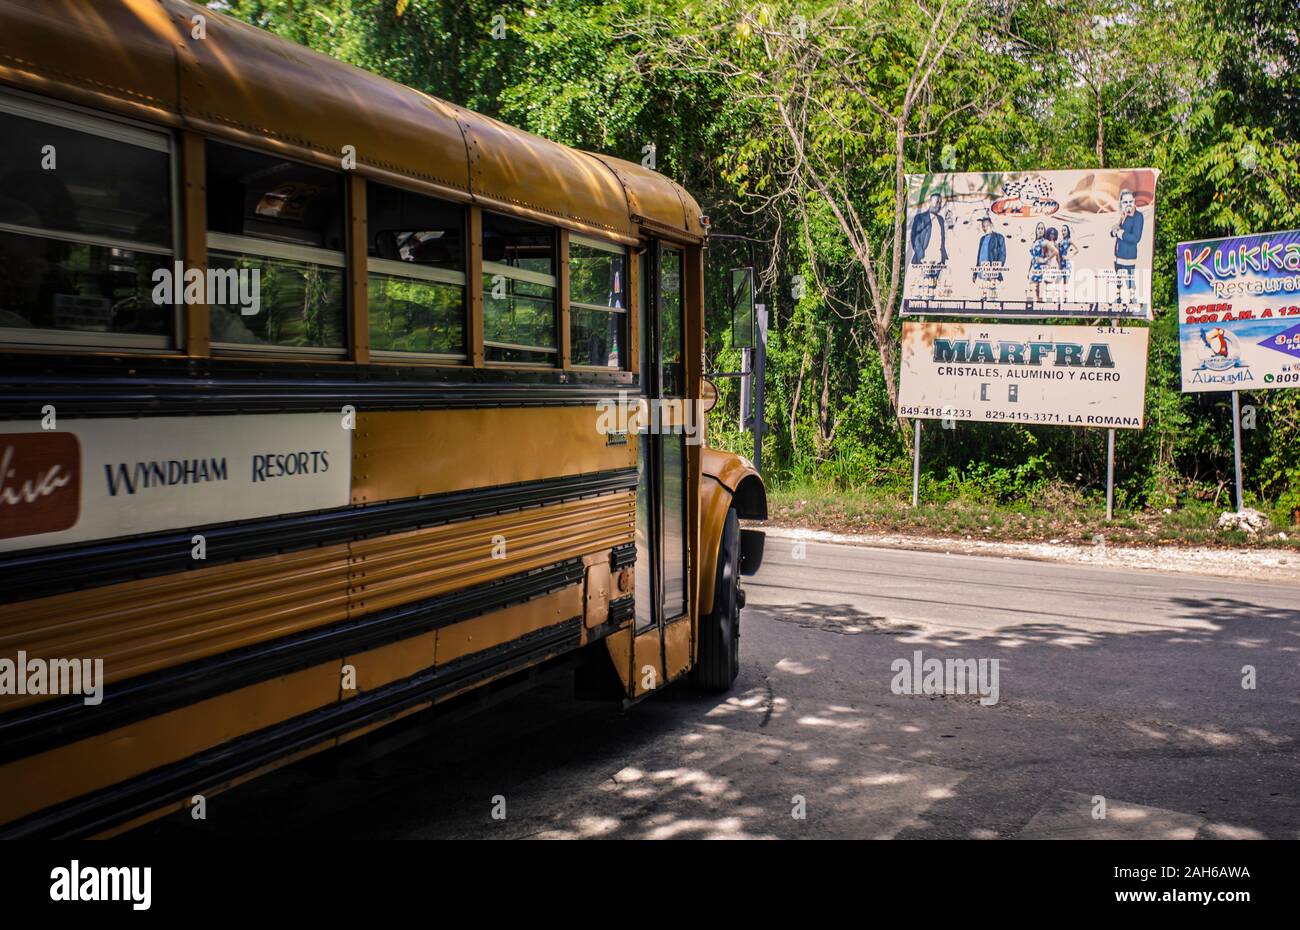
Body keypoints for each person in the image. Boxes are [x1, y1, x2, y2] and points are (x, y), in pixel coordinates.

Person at [1110, 189, 1144, 301]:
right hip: (1118, 255)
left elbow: (1136, 238)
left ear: (1134, 201)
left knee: (1130, 279)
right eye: (1125, 202)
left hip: (1129, 255)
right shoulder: (1123, 215)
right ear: (1121, 203)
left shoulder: (1138, 216)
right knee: (1118, 279)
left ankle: (1132, 299)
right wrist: (1113, 231)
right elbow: (1116, 229)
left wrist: (1120, 233)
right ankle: (1118, 298)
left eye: (1130, 201)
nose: (1128, 204)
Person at [909, 193, 948, 266]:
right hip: (924, 260)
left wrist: (943, 256)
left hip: (938, 260)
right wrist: (920, 253)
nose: (938, 204)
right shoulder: (920, 218)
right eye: (935, 201)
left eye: (939, 202)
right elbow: (915, 237)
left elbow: (942, 238)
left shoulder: (941, 219)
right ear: (930, 202)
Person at [973, 214, 1006, 286]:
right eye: (983, 226)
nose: (984, 228)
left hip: (992, 277)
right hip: (980, 276)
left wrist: (994, 272)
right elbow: (979, 257)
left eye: (986, 225)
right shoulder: (982, 239)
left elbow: (1002, 256)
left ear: (991, 225)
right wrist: (975, 273)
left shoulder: (998, 238)